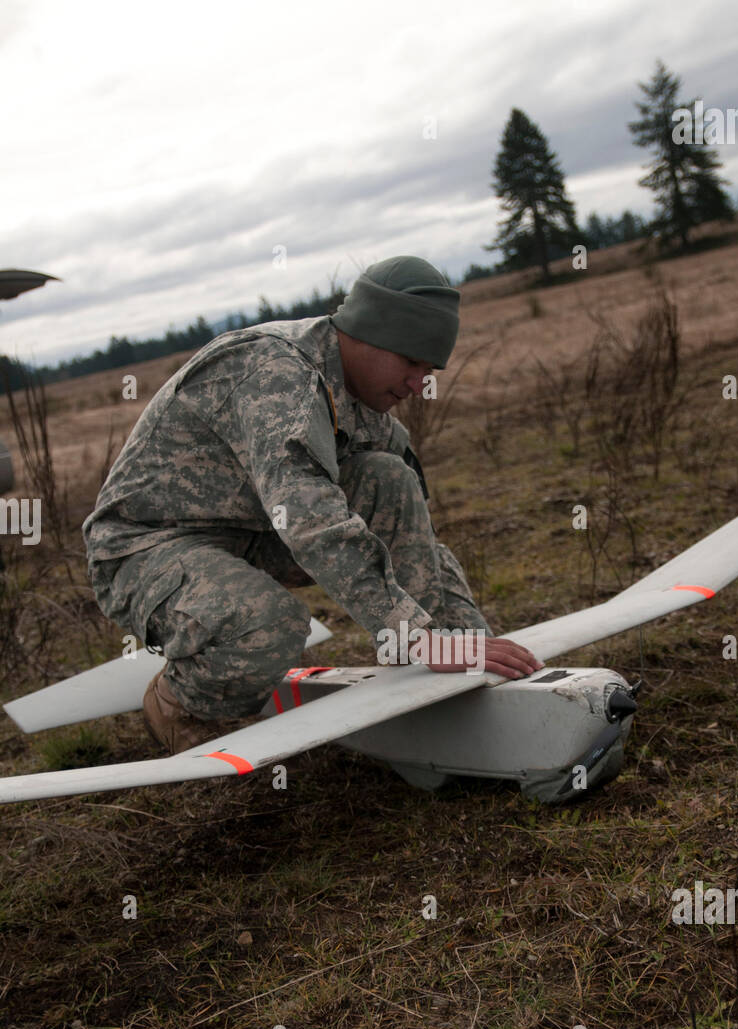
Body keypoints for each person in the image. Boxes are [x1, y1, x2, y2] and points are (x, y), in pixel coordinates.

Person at [82, 256, 542, 755]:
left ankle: (421, 679)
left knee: (390, 478)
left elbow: (420, 543)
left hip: (248, 536)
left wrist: (473, 647)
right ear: (368, 335)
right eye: (411, 363)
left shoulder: (366, 395)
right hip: (144, 548)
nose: (419, 385)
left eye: (428, 370)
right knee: (271, 623)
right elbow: (311, 520)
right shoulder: (278, 373)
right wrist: (418, 636)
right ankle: (180, 703)